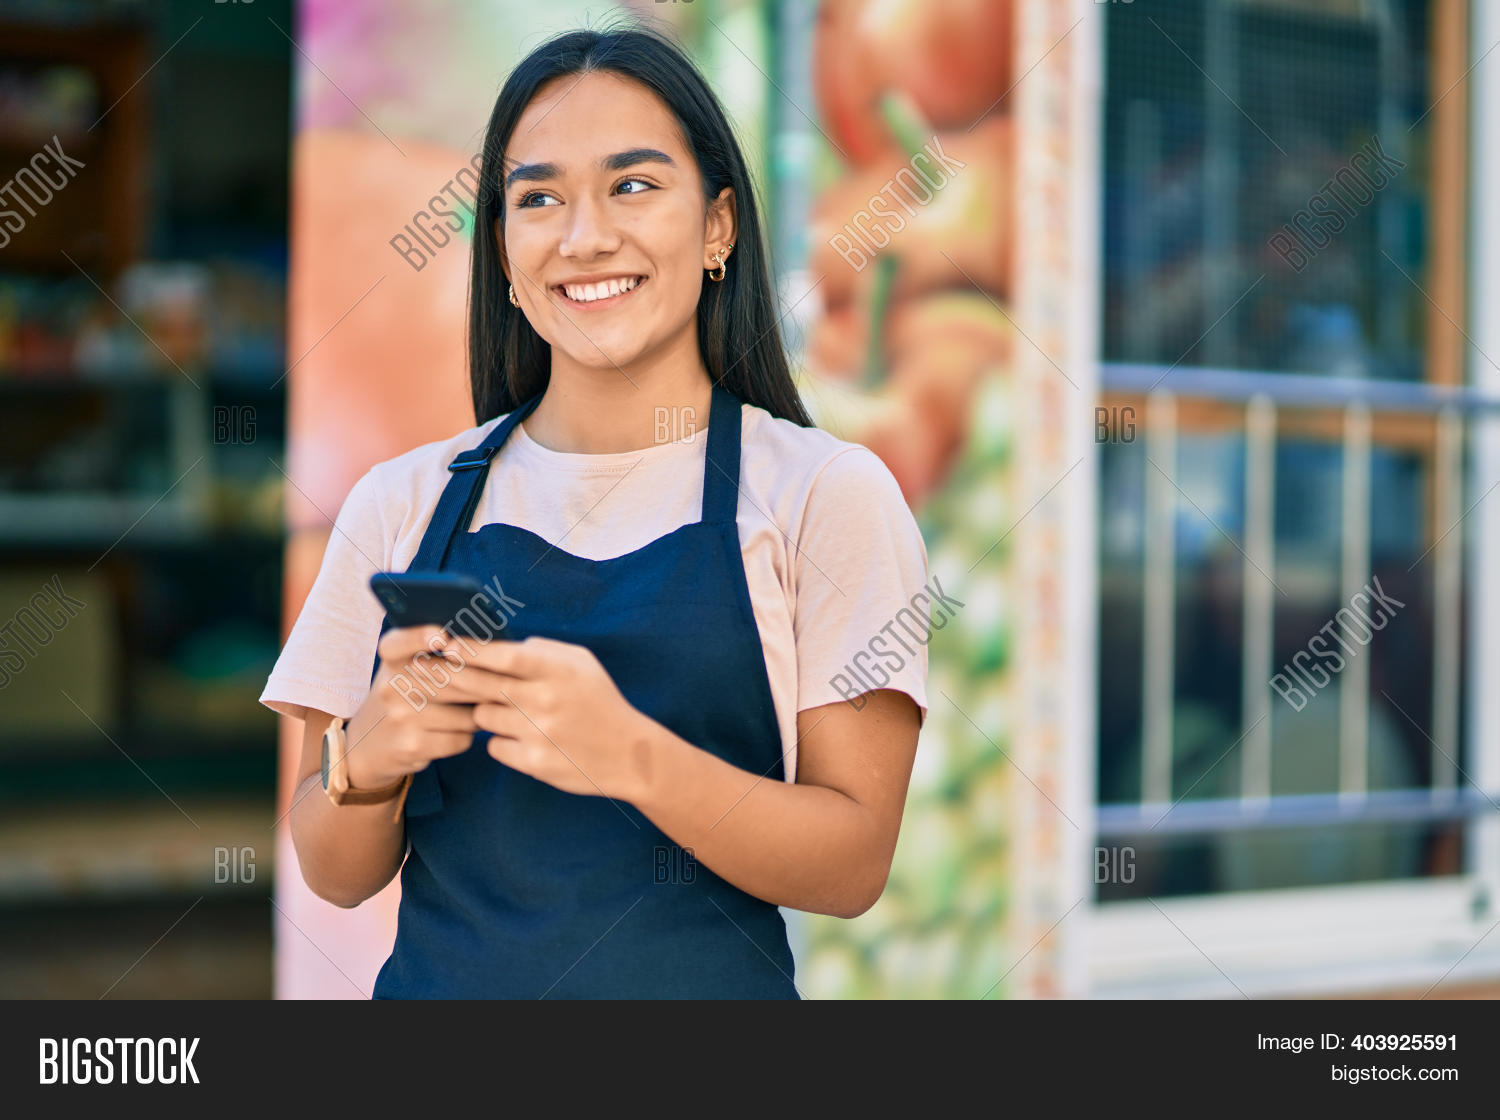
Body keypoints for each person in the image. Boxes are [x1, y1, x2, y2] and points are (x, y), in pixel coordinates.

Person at [261, 24, 929, 999]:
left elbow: (854, 862)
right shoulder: (401, 500)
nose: (583, 237)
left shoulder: (823, 495)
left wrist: (632, 756)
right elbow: (333, 866)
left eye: (633, 184)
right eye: (539, 198)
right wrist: (372, 752)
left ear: (718, 226)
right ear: (503, 246)